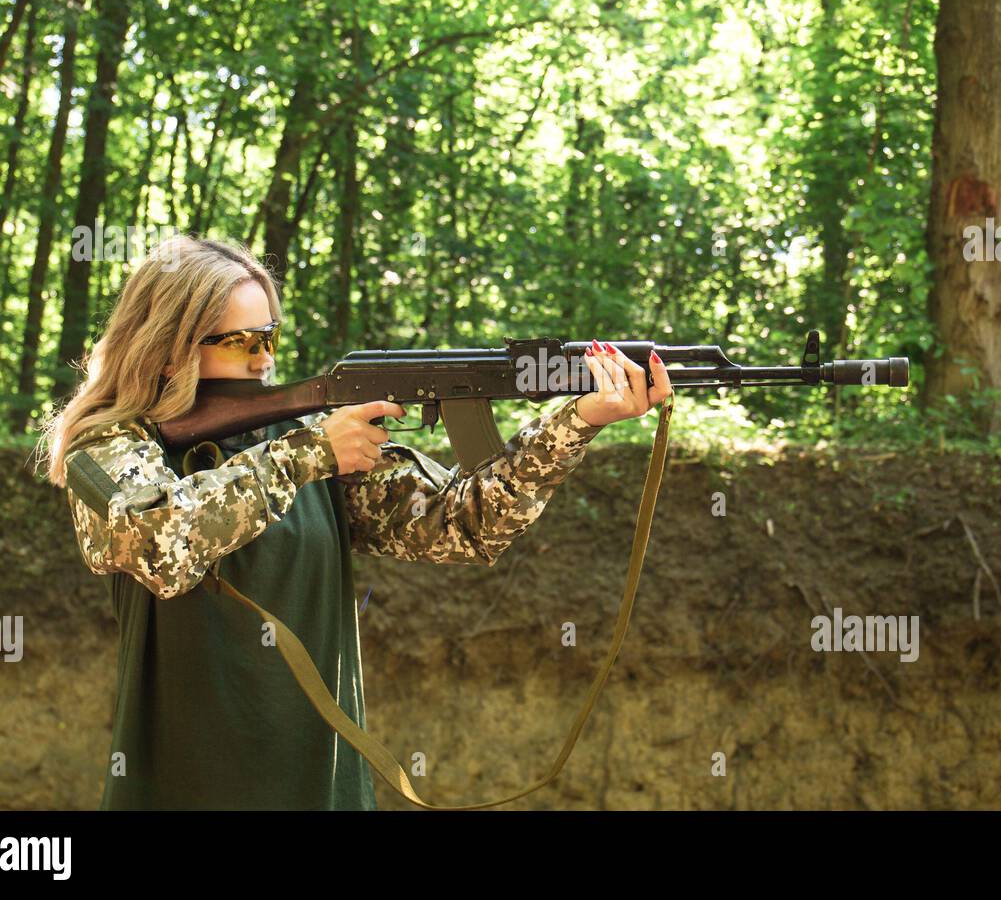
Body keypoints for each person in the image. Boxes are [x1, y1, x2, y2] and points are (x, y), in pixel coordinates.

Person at [36, 234, 673, 809]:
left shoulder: (304, 439)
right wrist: (311, 454)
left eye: (271, 336)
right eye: (242, 341)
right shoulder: (113, 447)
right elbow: (158, 542)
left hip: (322, 786)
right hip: (183, 786)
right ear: (171, 351)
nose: (264, 359)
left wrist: (578, 420)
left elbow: (465, 525)